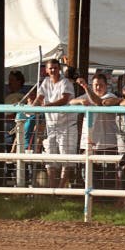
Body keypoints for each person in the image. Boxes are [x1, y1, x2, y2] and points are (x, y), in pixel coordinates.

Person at [33, 59, 77, 188]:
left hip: (66, 125)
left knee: (66, 158)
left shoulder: (66, 82)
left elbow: (65, 99)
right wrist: (31, 108)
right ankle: (52, 189)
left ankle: (61, 188)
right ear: (46, 70)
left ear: (59, 69)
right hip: (51, 125)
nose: (53, 70)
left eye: (55, 68)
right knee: (50, 157)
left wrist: (47, 106)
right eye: (50, 68)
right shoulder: (45, 82)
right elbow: (39, 98)